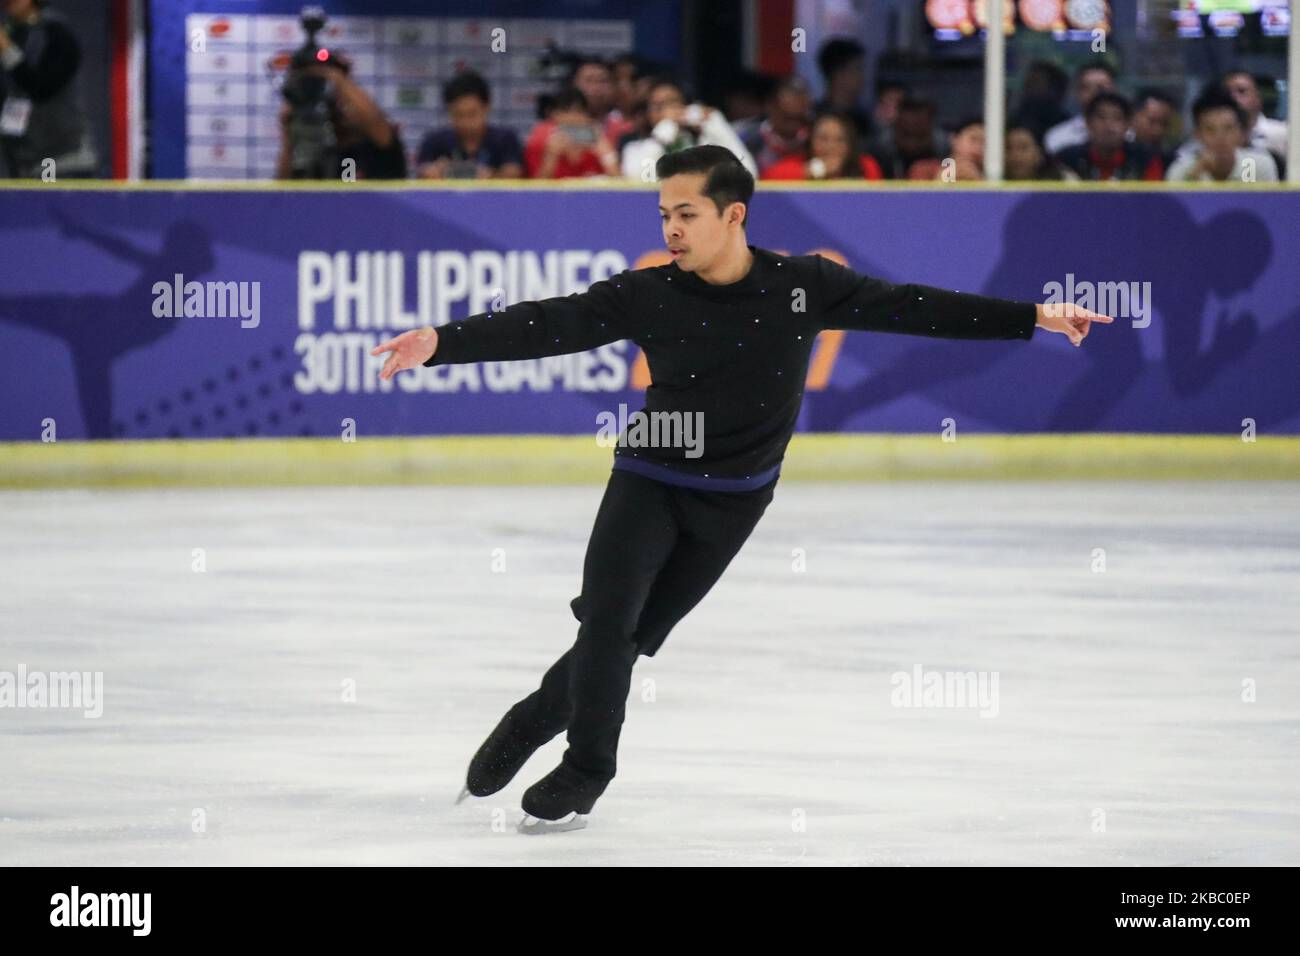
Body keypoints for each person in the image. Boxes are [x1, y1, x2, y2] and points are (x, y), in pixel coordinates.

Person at [370, 145, 1111, 834]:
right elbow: (549, 324)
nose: (672, 229)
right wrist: (442, 343)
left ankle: (536, 715)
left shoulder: (804, 286)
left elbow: (913, 307)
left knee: (633, 638)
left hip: (734, 501)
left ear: (734, 216)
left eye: (685, 214)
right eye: (664, 215)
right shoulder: (648, 292)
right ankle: (588, 767)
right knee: (607, 621)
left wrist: (1034, 316)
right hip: (650, 475)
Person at [0, 0, 98, 178]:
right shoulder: (13, 32)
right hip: (21, 158)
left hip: (58, 157)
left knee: (48, 203)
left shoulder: (55, 33)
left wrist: (7, 49)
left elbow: (41, 88)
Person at [274, 51, 405, 180]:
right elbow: (284, 193)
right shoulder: (317, 151)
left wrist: (335, 77)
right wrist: (289, 131)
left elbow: (374, 120)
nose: (341, 109)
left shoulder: (377, 144)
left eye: (343, 101)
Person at [620, 75, 757, 179]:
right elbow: (643, 179)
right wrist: (662, 135)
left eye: (673, 103)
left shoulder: (704, 144)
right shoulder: (635, 148)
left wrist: (717, 126)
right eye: (659, 106)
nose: (669, 111)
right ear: (648, 113)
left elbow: (748, 174)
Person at [416, 70, 522, 179]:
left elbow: (514, 173)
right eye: (458, 114)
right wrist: (432, 173)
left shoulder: (506, 139)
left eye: (472, 114)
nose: (465, 122)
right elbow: (421, 173)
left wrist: (492, 176)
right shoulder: (433, 141)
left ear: (487, 107)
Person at [1166, 88, 1278, 183]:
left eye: (1228, 128)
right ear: (1198, 135)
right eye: (1210, 130)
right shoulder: (1181, 170)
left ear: (1240, 132)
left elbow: (1263, 206)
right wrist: (1196, 174)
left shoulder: (1253, 165)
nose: (1220, 137)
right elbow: (1178, 207)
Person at [1054, 92, 1164, 181]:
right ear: (1088, 122)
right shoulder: (1067, 160)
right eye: (1101, 117)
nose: (1109, 125)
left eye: (1117, 118)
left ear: (1128, 124)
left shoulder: (1146, 159)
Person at [523, 86, 620, 179]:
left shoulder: (599, 138)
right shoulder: (538, 141)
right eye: (566, 111)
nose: (573, 118)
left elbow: (620, 187)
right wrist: (551, 157)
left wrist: (606, 155)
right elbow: (535, 191)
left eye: (578, 112)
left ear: (587, 116)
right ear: (554, 115)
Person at [760, 111, 882, 180]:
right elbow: (769, 177)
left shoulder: (866, 166)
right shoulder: (799, 163)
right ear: (810, 141)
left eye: (840, 140)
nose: (831, 147)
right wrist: (815, 170)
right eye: (823, 139)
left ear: (850, 145)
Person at [1043, 62, 1117, 156]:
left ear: (1113, 90)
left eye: (1101, 88)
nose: (1094, 93)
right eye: (1087, 88)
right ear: (1077, 93)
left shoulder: (1130, 135)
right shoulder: (1057, 136)